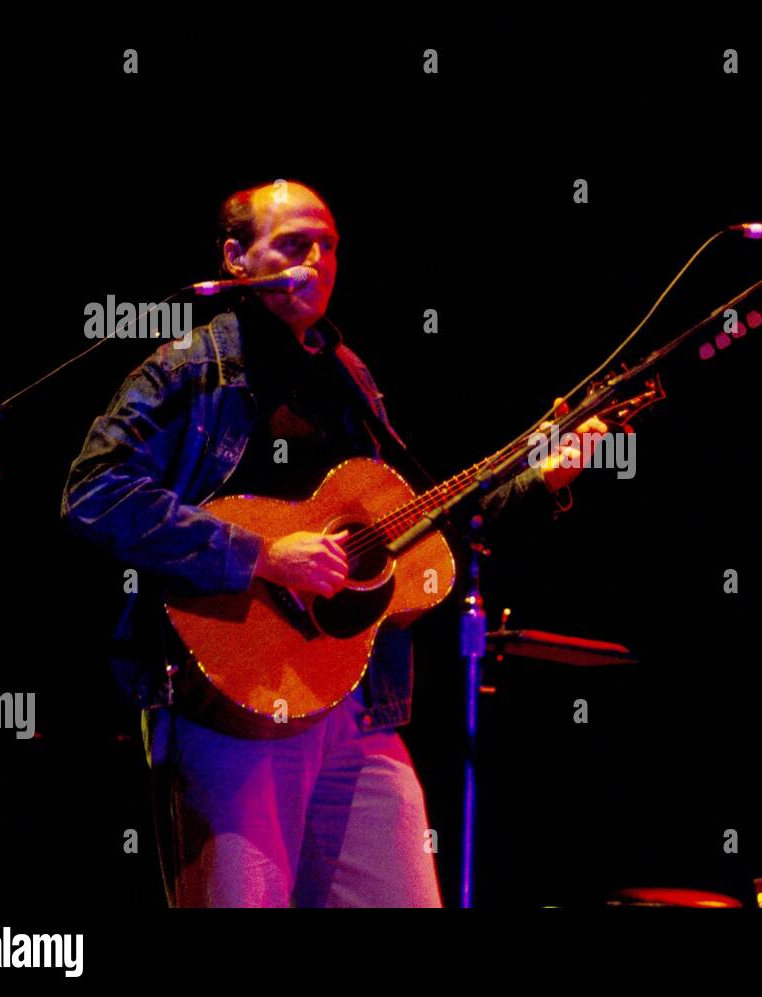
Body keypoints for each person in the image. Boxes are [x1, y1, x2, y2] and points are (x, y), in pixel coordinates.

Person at [61, 180, 603, 907]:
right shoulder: (188, 370)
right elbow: (94, 494)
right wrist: (260, 554)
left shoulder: (349, 377)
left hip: (356, 703)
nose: (316, 260)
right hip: (230, 698)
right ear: (236, 258)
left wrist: (539, 478)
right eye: (292, 245)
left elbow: (424, 529)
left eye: (329, 247)